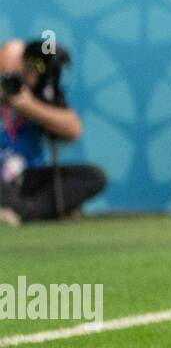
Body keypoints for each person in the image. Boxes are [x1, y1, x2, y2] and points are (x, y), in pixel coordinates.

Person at [0, 39, 107, 226]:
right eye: (5, 76)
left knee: (93, 177)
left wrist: (30, 106)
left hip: (27, 177)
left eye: (20, 73)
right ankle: (27, 211)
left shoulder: (38, 95)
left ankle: (22, 211)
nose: (13, 81)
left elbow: (74, 130)